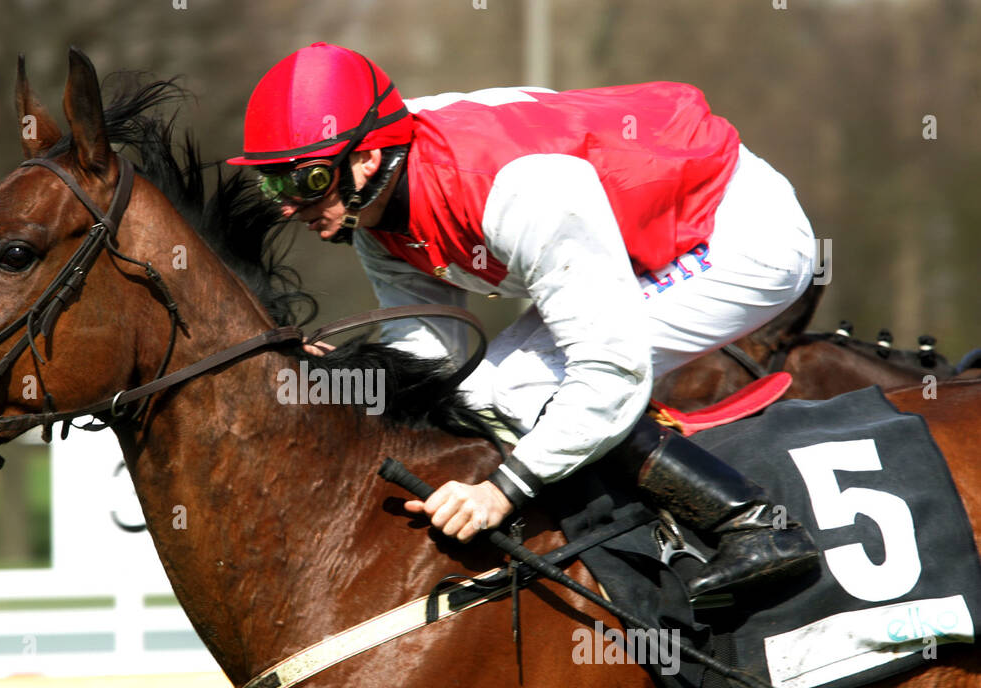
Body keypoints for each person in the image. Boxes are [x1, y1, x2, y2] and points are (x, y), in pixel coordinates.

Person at [228, 42, 819, 599]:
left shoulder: (519, 192)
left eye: (304, 181)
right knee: (482, 389)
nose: (286, 205)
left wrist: (502, 492)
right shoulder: (373, 205)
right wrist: (365, 380)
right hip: (642, 224)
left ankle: (754, 525)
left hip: (736, 232)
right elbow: (438, 359)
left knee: (522, 388)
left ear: (368, 158)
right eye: (271, 180)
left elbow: (610, 371)